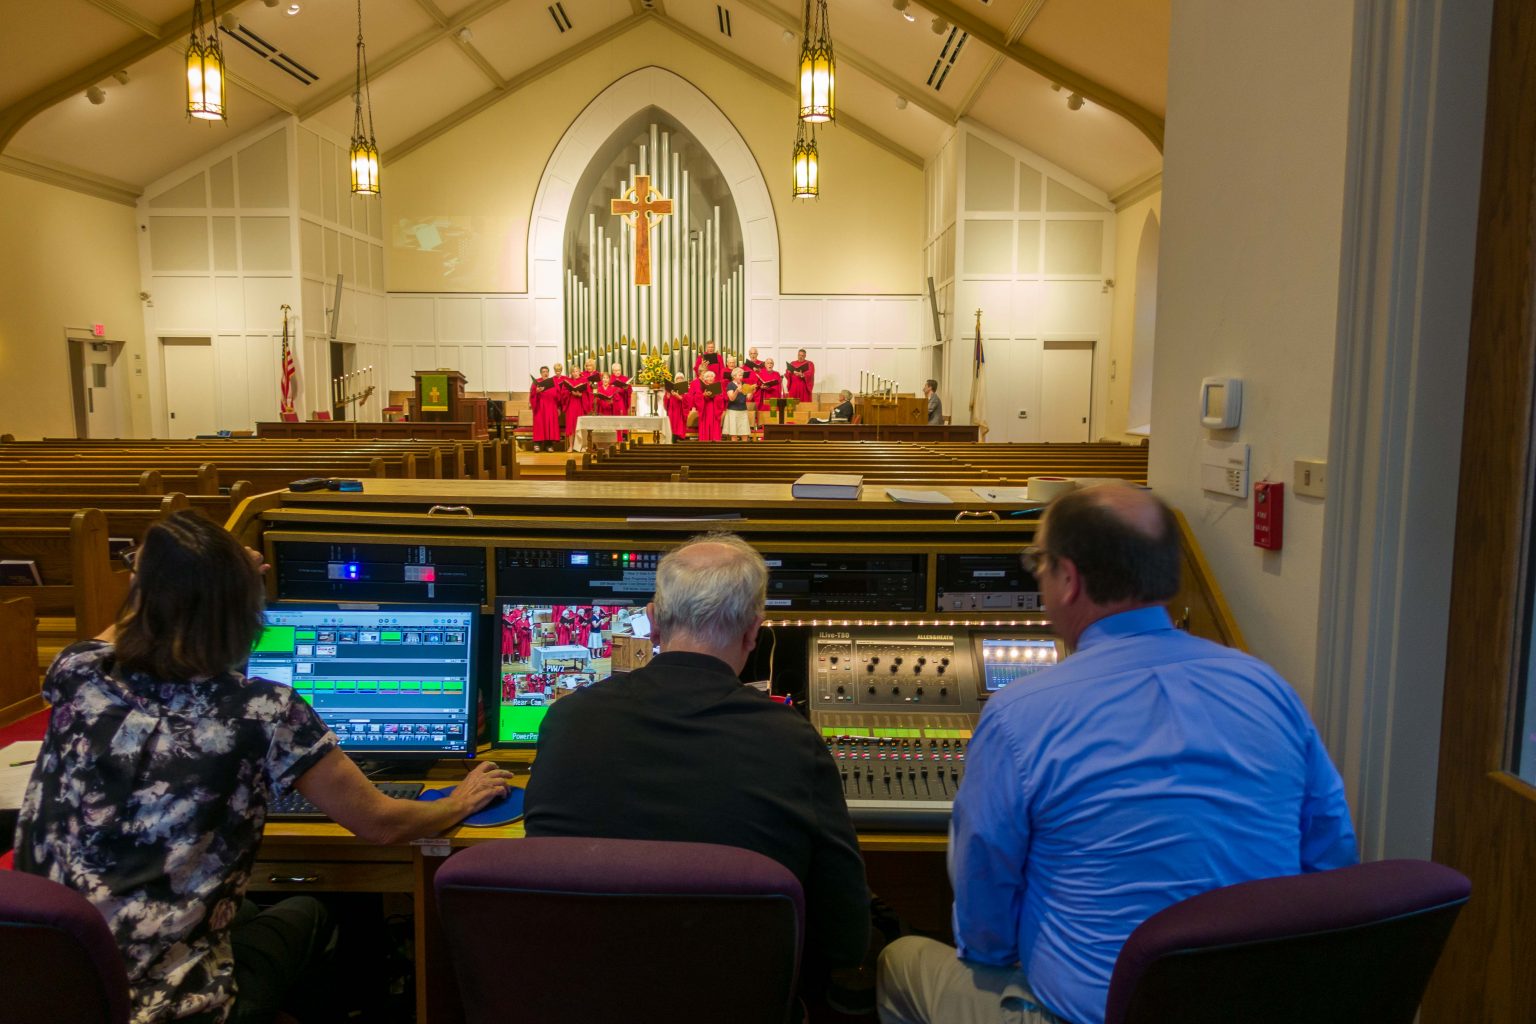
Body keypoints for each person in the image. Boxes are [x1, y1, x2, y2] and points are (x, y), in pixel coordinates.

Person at [876, 485, 1358, 1024]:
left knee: (901, 960)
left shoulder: (1020, 714)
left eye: (1038, 562)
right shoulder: (1267, 687)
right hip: (1254, 1004)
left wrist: (1005, 955)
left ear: (1069, 577)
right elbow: (1331, 855)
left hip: (1083, 1015)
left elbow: (985, 904)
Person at [13, 511, 511, 1024]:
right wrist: (458, 801)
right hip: (171, 1006)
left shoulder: (77, 669)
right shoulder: (260, 709)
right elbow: (381, 824)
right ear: (245, 614)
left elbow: (127, 625)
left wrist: (171, 569)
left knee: (252, 911)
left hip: (49, 981)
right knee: (316, 911)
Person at [523, 532, 869, 991]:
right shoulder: (791, 739)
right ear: (753, 631)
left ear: (654, 623)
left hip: (582, 996)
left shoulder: (566, 719)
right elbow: (844, 940)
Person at [529, 365, 561, 452]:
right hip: (540, 407)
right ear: (541, 373)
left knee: (549, 425)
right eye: (543, 372)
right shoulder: (537, 382)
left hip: (551, 407)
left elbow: (558, 395)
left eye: (547, 371)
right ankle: (537, 444)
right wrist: (536, 392)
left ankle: (549, 445)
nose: (545, 373)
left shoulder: (553, 382)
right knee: (540, 425)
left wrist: (558, 407)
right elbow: (532, 395)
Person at [692, 369, 725, 442]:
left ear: (714, 378)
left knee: (715, 427)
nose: (710, 378)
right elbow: (697, 398)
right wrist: (703, 395)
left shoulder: (718, 386)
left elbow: (721, 398)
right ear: (705, 378)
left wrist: (715, 396)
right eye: (708, 377)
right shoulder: (701, 387)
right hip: (705, 410)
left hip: (714, 410)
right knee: (705, 427)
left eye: (711, 377)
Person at [723, 367, 753, 441]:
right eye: (739, 375)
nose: (741, 377)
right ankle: (735, 451)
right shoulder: (730, 385)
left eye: (742, 375)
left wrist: (751, 391)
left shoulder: (745, 385)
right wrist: (737, 390)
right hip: (733, 411)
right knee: (734, 434)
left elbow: (749, 398)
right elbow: (731, 398)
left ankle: (744, 451)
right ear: (734, 376)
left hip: (743, 410)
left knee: (744, 433)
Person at [664, 371, 691, 441]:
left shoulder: (686, 388)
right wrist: (668, 397)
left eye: (681, 378)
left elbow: (688, 401)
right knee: (671, 426)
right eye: (678, 378)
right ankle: (672, 438)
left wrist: (679, 397)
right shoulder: (671, 388)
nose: (679, 379)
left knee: (679, 427)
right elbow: (666, 402)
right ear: (675, 380)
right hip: (672, 410)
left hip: (681, 411)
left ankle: (680, 439)